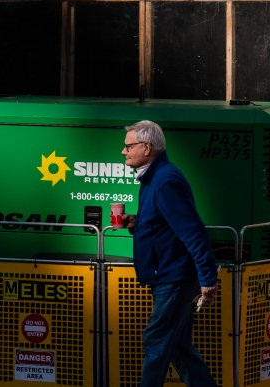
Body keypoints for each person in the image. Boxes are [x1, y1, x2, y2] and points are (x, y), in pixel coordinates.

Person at [119, 120, 218, 387]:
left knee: (157, 339)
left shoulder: (165, 181)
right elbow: (165, 226)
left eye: (128, 146)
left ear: (147, 147)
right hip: (169, 275)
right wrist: (136, 223)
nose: (123, 151)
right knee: (178, 346)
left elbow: (193, 231)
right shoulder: (155, 178)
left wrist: (207, 278)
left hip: (173, 278)